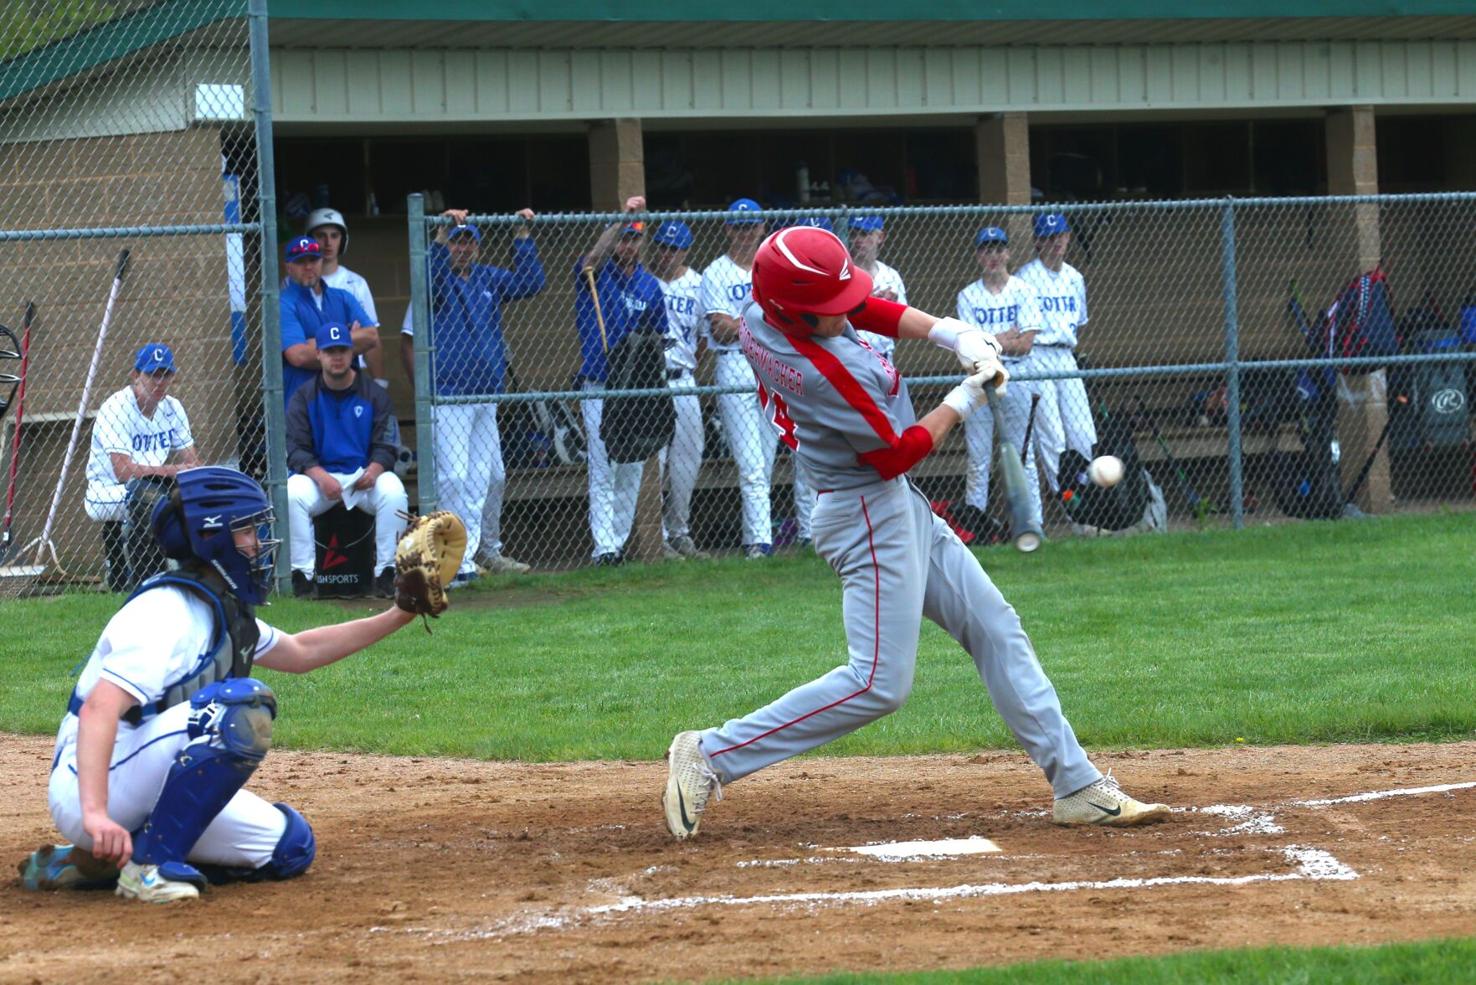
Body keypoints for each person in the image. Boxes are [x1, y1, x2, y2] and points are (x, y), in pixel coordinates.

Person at [660, 225, 1168, 839]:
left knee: (994, 625)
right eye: (827, 310)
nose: (843, 311)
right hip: (867, 509)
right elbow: (897, 454)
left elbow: (862, 305)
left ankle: (1077, 784)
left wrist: (952, 332)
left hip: (885, 503)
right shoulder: (831, 374)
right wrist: (967, 395)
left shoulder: (762, 314)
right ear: (794, 313)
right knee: (878, 684)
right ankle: (710, 754)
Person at [20, 466, 421, 902]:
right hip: (96, 784)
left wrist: (400, 612)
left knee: (289, 847)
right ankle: (148, 867)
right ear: (212, 537)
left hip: (144, 778)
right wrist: (95, 813)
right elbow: (100, 709)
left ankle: (97, 861)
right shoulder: (163, 612)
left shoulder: (218, 608)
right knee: (237, 709)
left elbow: (302, 651)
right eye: (246, 530)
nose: (257, 542)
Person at [402, 207, 544, 582]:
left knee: (488, 476)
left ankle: (477, 550)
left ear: (478, 247)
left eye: (468, 242)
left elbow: (532, 282)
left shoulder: (488, 278)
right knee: (455, 476)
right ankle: (454, 560)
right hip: (449, 396)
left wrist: (522, 236)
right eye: (456, 242)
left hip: (486, 395)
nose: (462, 249)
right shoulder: (439, 277)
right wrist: (438, 238)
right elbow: (426, 281)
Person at [701, 198, 815, 556]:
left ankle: (794, 536)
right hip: (734, 364)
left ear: (762, 227)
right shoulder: (715, 272)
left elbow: (789, 319)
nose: (746, 233)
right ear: (727, 228)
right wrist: (765, 324)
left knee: (769, 458)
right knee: (750, 465)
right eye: (739, 226)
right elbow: (720, 329)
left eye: (752, 225)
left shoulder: (772, 267)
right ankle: (758, 543)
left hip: (772, 366)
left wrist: (746, 325)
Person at [574, 196, 671, 565]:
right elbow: (590, 260)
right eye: (624, 238)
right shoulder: (596, 274)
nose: (628, 245)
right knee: (603, 465)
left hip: (636, 388)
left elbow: (660, 335)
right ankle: (605, 548)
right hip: (600, 382)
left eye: (634, 238)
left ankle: (617, 541)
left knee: (631, 466)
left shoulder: (650, 285)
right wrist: (620, 219)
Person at [285, 322, 408, 599]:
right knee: (292, 493)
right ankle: (302, 576)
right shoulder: (303, 397)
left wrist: (374, 471)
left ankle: (387, 573)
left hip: (363, 478)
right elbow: (297, 449)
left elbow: (387, 445)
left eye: (342, 350)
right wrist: (321, 477)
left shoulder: (375, 394)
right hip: (320, 479)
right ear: (319, 354)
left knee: (393, 491)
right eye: (330, 351)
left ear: (353, 353)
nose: (337, 357)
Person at [84, 343, 201, 591]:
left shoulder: (173, 408)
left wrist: (175, 473)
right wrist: (173, 471)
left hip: (151, 486)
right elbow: (123, 471)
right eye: (152, 374)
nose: (159, 381)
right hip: (106, 491)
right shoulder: (116, 407)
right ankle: (147, 581)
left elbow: (194, 464)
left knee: (191, 495)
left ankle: (192, 577)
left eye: (165, 374)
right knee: (151, 499)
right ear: (136, 375)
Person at [955, 226, 1047, 538]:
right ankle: (975, 529)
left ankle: (1031, 525)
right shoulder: (968, 295)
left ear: (1008, 253)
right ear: (978, 255)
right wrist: (1006, 337)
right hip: (979, 381)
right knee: (978, 460)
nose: (993, 256)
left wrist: (989, 341)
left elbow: (1026, 344)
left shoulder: (1024, 290)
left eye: (998, 249)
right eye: (986, 250)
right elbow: (969, 349)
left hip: (1018, 377)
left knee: (1024, 455)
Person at [1014, 213, 1098, 514]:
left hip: (1065, 354)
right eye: (1048, 237)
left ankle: (1091, 494)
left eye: (1060, 235)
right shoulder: (1026, 277)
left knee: (1082, 429)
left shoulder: (1075, 277)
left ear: (1068, 237)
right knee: (1051, 433)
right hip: (1038, 353)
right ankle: (1068, 501)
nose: (1055, 242)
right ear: (1038, 241)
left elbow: (1079, 323)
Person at [646, 220, 708, 560]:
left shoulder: (697, 284)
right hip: (651, 382)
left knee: (687, 458)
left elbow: (703, 340)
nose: (667, 254)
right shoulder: (644, 281)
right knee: (655, 460)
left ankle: (679, 530)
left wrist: (687, 367)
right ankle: (659, 536)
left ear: (685, 251)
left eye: (674, 248)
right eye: (662, 246)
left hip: (683, 379)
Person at [279, 236, 381, 410]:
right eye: (300, 261)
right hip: (304, 404)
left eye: (313, 259)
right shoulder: (283, 303)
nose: (308, 266)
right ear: (288, 267)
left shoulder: (343, 297)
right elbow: (298, 356)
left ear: (321, 261)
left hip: (347, 400)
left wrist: (315, 344)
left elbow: (372, 337)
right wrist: (350, 339)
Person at [305, 207, 389, 393]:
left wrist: (380, 383)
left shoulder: (356, 283)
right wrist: (351, 335)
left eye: (334, 235)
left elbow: (372, 338)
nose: (328, 242)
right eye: (321, 235)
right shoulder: (295, 283)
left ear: (343, 240)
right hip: (308, 374)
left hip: (351, 373)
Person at [847, 215, 909, 362]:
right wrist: (867, 305)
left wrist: (889, 309)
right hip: (850, 355)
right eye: (853, 233)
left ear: (880, 237)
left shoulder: (891, 275)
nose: (858, 240)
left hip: (883, 356)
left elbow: (903, 326)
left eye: (865, 233)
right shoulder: (844, 272)